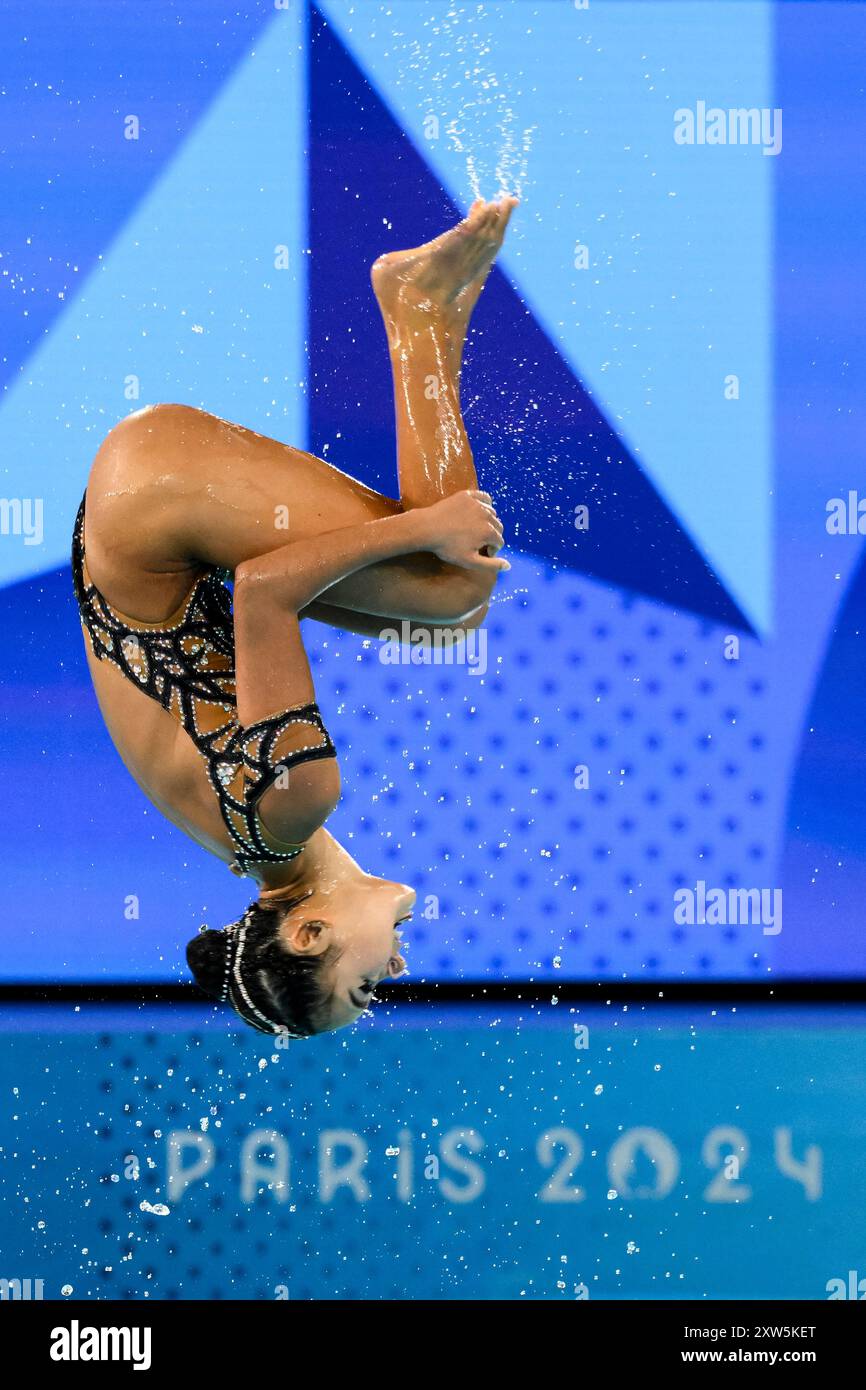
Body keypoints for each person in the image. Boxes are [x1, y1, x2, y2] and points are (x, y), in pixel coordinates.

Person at [71, 197, 517, 1036]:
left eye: (365, 987)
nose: (398, 968)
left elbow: (266, 591)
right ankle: (433, 311)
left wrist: (424, 529)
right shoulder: (255, 850)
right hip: (135, 526)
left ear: (310, 932)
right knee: (448, 621)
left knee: (447, 581)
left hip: (152, 504)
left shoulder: (293, 803)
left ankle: (418, 308)